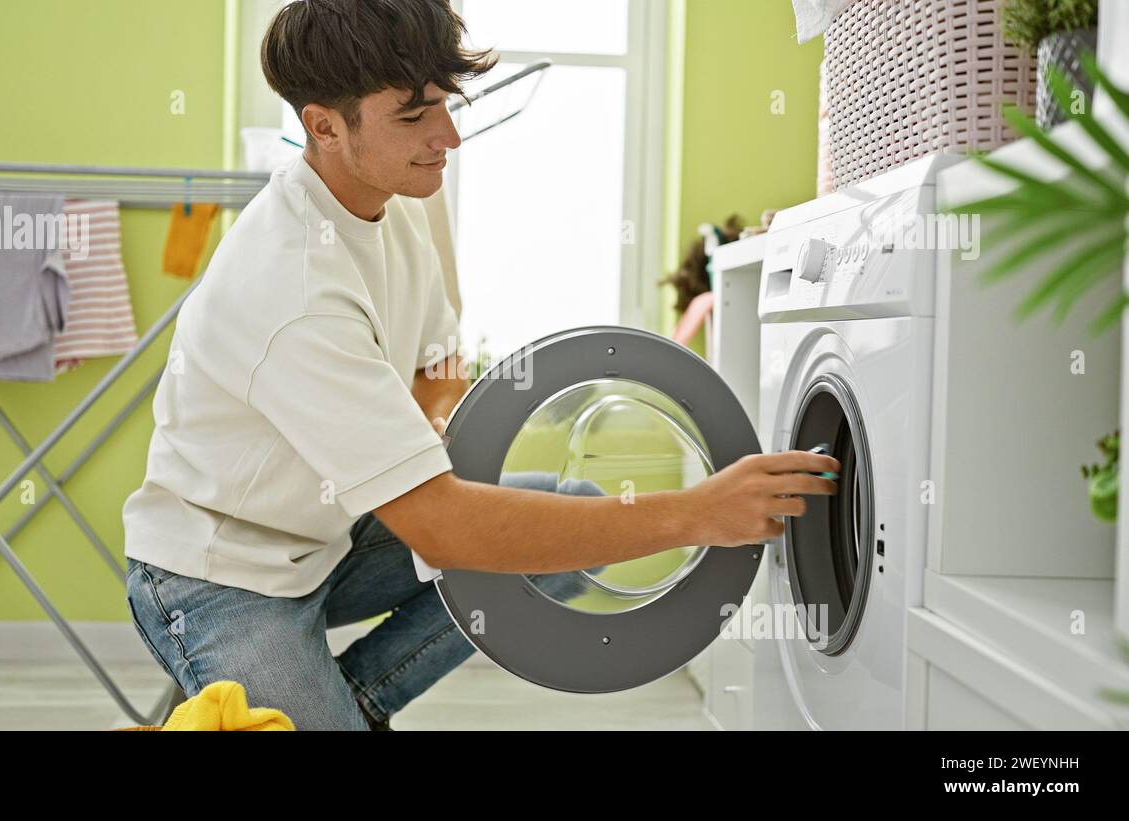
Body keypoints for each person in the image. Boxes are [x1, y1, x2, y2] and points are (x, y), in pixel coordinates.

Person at [123, 0, 840, 731]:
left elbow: (438, 361)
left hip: (331, 536)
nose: (449, 136)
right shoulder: (293, 289)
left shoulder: (396, 205)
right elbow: (443, 530)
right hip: (217, 574)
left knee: (562, 525)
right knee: (480, 530)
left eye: (445, 103)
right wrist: (696, 513)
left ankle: (348, 707)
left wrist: (419, 449)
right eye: (414, 116)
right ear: (324, 125)